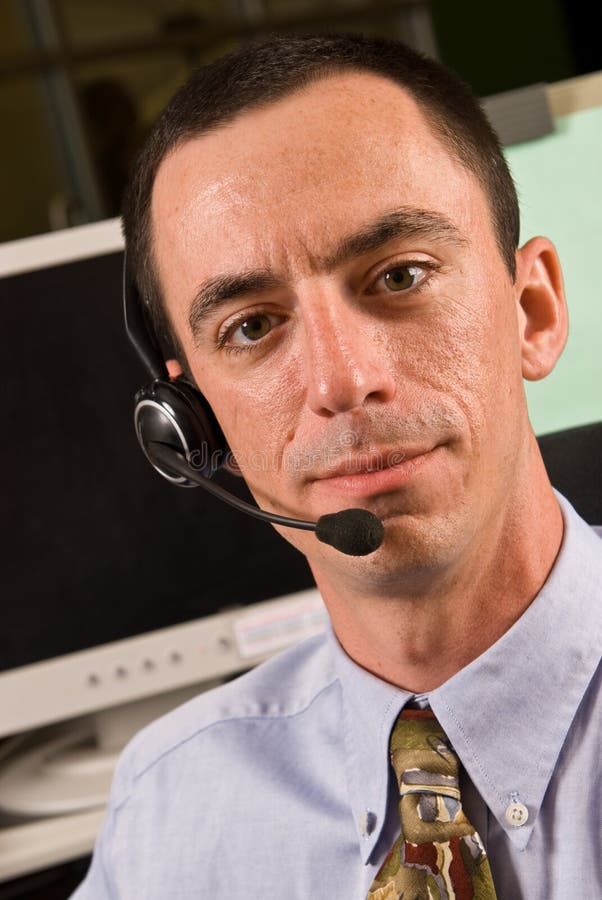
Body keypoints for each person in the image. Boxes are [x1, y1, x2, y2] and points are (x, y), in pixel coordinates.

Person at [72, 33, 601, 899]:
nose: (342, 380)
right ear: (193, 427)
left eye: (400, 275)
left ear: (533, 311)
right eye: (251, 326)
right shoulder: (167, 816)